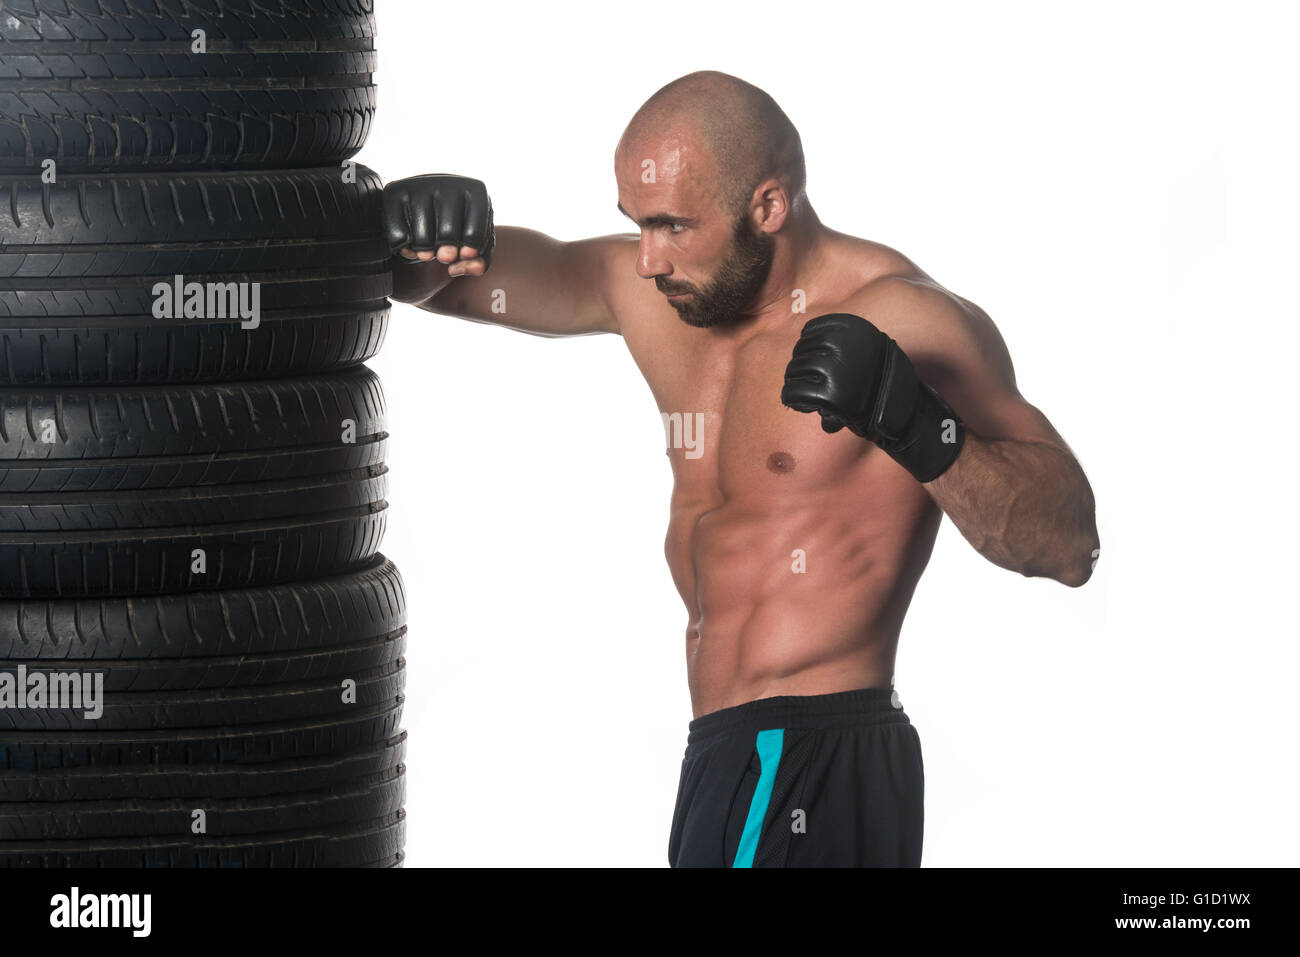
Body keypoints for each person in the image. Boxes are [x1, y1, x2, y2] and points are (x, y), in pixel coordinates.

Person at [382, 70, 1100, 867]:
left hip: (811, 750)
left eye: (672, 226)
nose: (648, 258)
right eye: (635, 224)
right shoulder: (656, 292)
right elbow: (461, 283)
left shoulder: (905, 317)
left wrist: (916, 423)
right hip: (726, 755)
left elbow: (1067, 544)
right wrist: (416, 249)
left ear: (768, 206)